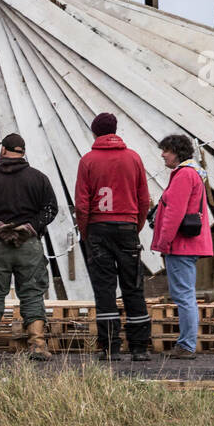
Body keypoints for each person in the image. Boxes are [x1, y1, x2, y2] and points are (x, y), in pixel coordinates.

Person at [0, 133, 59, 362]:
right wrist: (30, 228)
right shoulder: (38, 178)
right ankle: (38, 346)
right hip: (28, 246)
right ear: (23, 151)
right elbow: (51, 209)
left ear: (3, 150)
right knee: (32, 293)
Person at [75, 112, 151, 361]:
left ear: (95, 132)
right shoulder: (134, 158)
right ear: (115, 130)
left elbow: (82, 204)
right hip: (127, 227)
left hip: (98, 228)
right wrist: (135, 226)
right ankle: (139, 347)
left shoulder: (88, 161)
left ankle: (110, 348)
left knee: (105, 288)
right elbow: (143, 200)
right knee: (133, 286)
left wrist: (86, 233)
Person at [151, 134, 214, 360]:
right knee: (185, 294)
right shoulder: (192, 173)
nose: (163, 154)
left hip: (180, 246)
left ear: (177, 152)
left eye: (166, 150)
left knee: (184, 296)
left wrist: (164, 243)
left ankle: (186, 345)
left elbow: (173, 214)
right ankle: (185, 343)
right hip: (187, 245)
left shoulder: (183, 175)